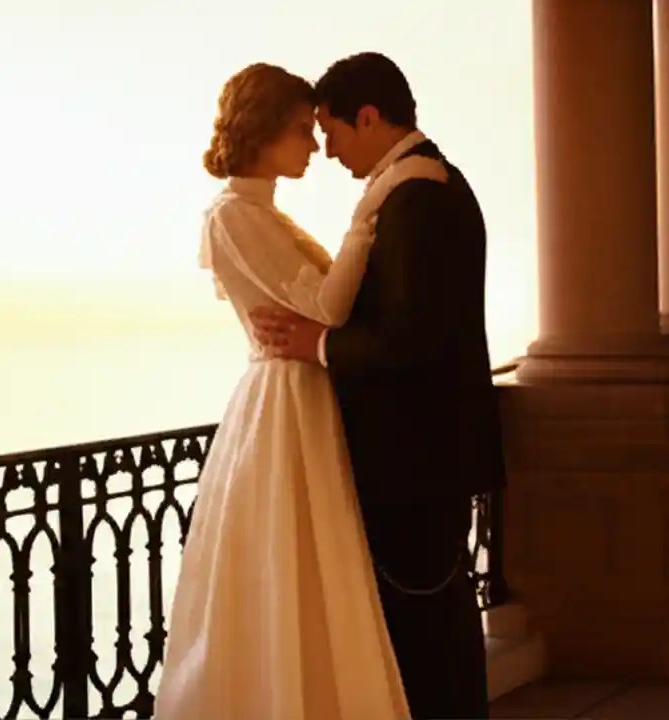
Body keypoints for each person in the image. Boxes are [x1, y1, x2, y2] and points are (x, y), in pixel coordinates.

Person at [154, 61, 449, 719]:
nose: (314, 146)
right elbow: (326, 303)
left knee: (318, 573)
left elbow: (327, 308)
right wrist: (367, 214)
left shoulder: (265, 215)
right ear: (261, 131)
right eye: (298, 130)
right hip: (284, 401)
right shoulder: (233, 214)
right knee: (285, 567)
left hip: (307, 395)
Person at [250, 52, 506, 719]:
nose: (328, 151)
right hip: (423, 453)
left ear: (368, 118)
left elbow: (415, 336)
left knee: (427, 627)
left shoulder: (419, 196)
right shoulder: (420, 186)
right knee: (432, 623)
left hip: (416, 457)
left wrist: (320, 344)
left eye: (332, 131)